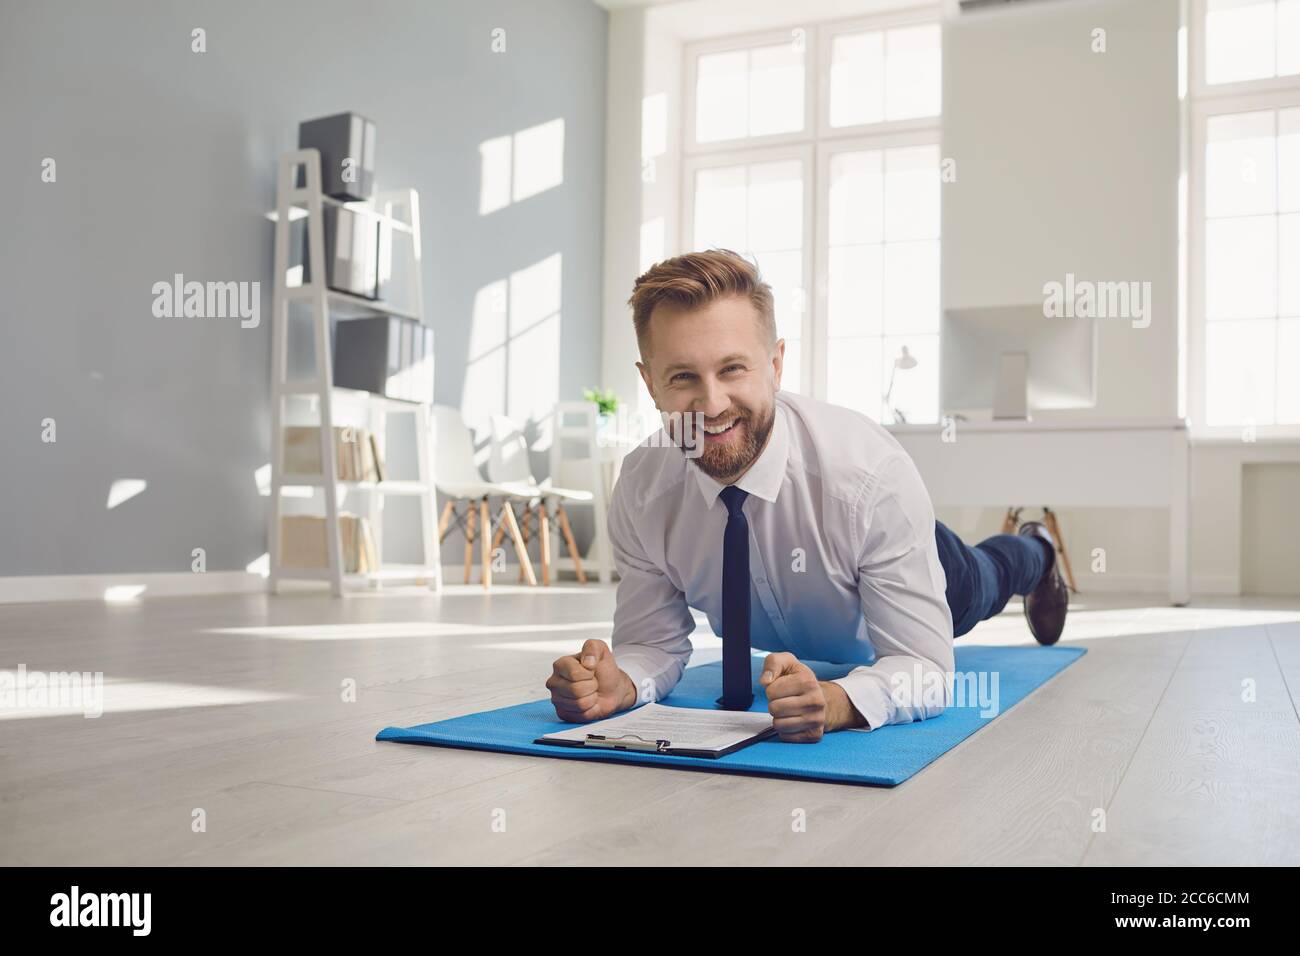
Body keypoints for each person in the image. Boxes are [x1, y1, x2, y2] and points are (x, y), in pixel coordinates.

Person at [545, 250, 1068, 742]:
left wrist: (841, 701)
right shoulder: (644, 489)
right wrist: (621, 682)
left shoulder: (869, 475)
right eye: (683, 377)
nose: (712, 403)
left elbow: (926, 668)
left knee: (989, 575)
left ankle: (1037, 550)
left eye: (733, 369)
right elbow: (651, 643)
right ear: (650, 384)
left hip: (905, 559)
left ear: (775, 366)